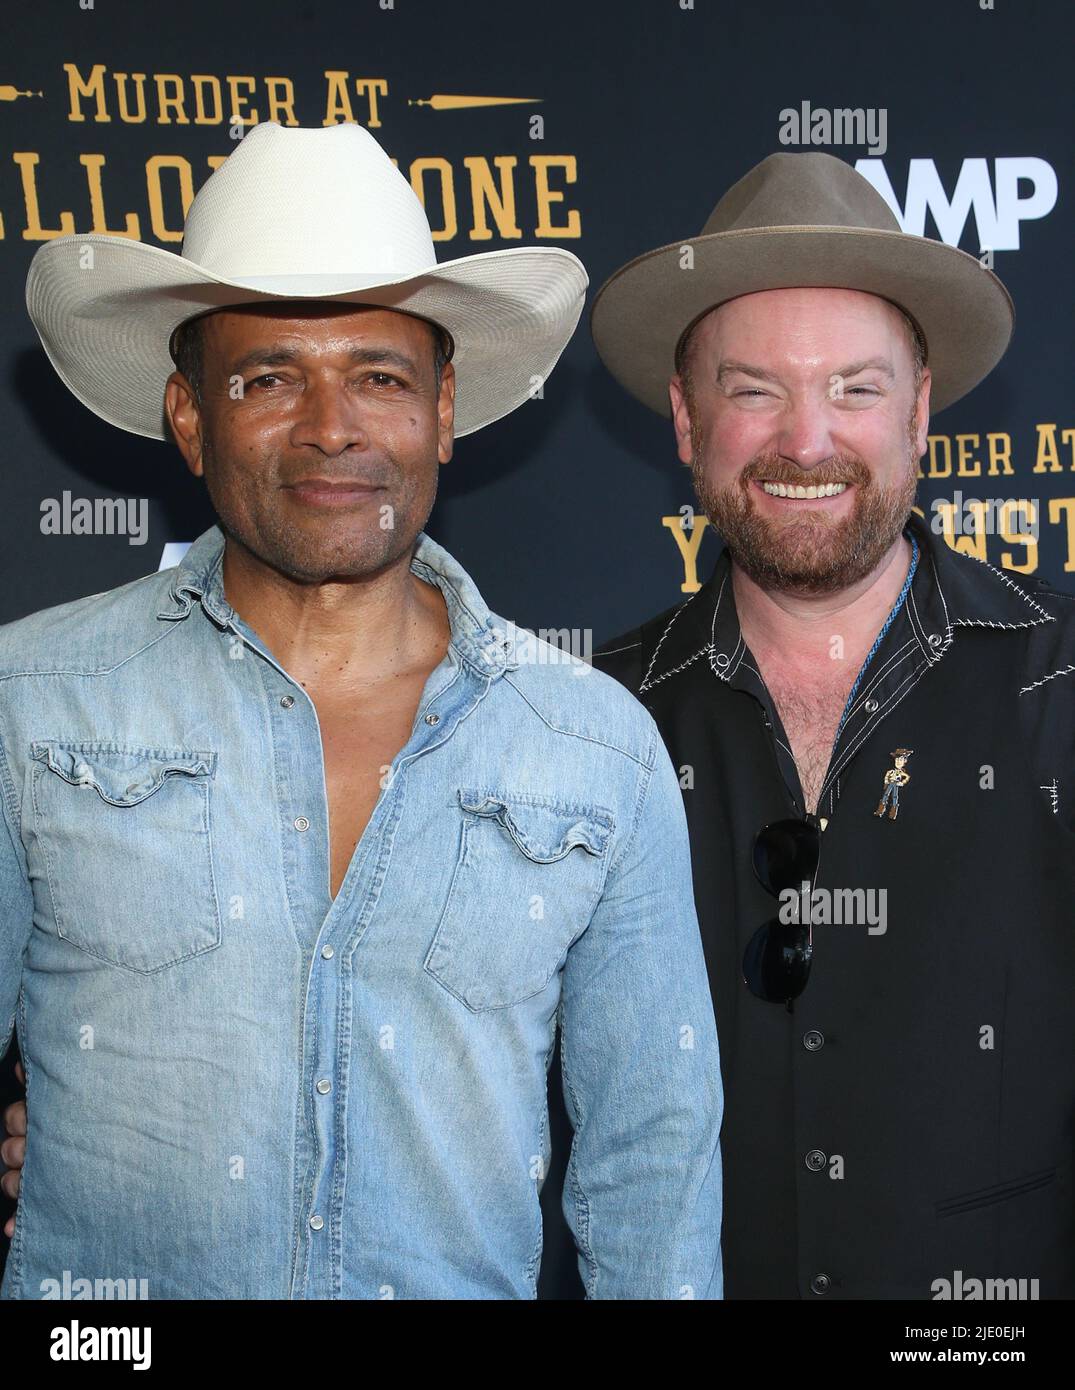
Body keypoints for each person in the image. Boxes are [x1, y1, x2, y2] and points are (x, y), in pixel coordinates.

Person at [0, 120, 723, 1300]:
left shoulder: (593, 748)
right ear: (190, 417)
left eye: (379, 377)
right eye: (270, 375)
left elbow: (653, 1170)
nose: (331, 425)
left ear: (443, 410)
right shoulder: (29, 706)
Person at [588, 151, 1075, 1299]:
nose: (806, 441)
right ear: (684, 419)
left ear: (917, 414)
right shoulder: (587, 717)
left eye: (855, 389)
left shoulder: (1061, 678)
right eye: (753, 389)